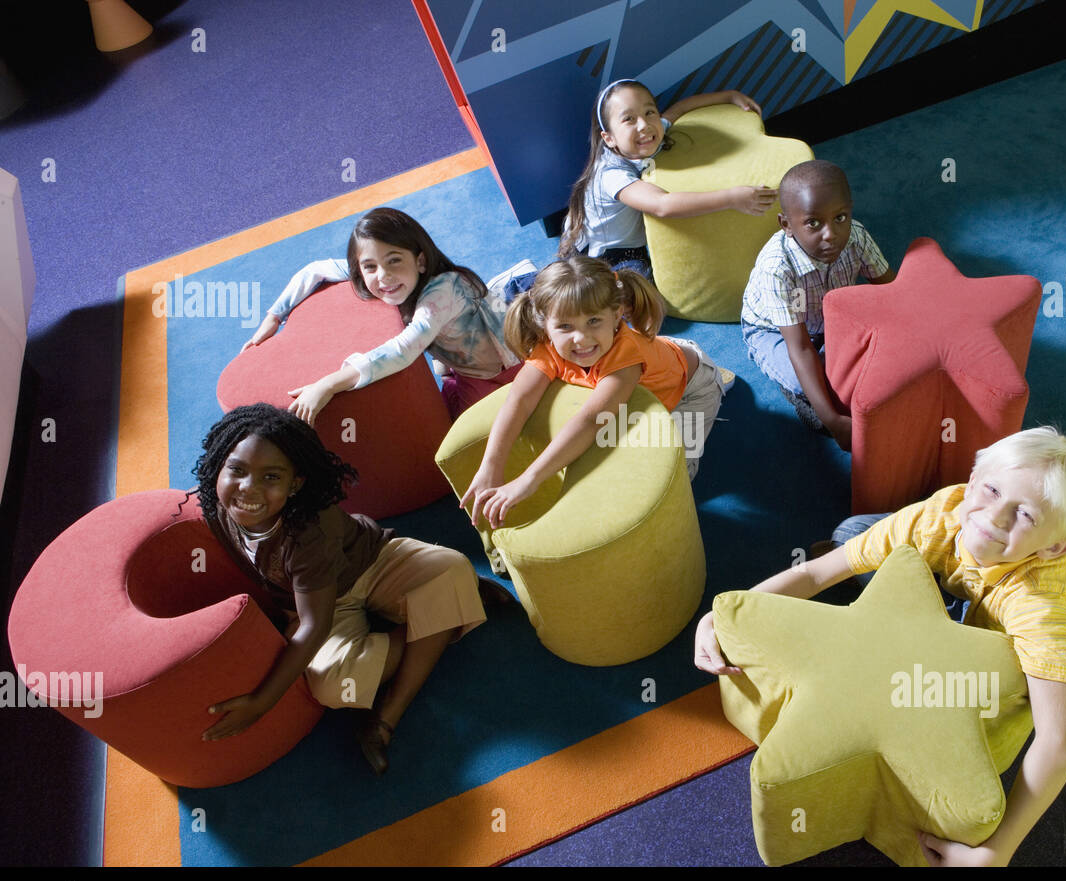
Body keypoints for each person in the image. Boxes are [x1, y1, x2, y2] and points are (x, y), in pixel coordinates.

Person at [694, 426, 1066, 866]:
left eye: (1026, 516)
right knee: (851, 532)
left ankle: (958, 619)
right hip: (945, 566)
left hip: (999, 627)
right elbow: (816, 573)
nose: (994, 518)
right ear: (974, 474)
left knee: (999, 671)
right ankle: (946, 586)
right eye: (991, 489)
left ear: (1056, 546)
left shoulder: (1043, 608)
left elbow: (1060, 744)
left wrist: (998, 851)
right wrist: (728, 616)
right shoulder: (943, 515)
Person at [185, 403, 505, 775]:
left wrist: (261, 701)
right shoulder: (216, 506)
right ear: (219, 466)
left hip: (369, 563)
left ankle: (385, 718)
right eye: (236, 470)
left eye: (271, 477)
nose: (248, 488)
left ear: (296, 484)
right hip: (318, 602)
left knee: (451, 568)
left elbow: (314, 626)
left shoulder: (307, 532)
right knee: (335, 684)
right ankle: (446, 612)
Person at [461, 256, 726, 529]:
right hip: (654, 363)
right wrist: (490, 467)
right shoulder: (549, 348)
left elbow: (592, 420)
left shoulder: (627, 357)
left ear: (617, 314)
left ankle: (718, 378)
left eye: (593, 321)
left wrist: (528, 480)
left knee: (674, 472)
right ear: (545, 325)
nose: (581, 338)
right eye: (565, 326)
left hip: (691, 389)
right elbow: (519, 400)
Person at [240, 206, 525, 421]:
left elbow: (403, 350)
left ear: (421, 260)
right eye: (370, 267)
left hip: (505, 369)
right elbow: (315, 270)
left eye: (394, 261)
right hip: (466, 365)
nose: (383, 276)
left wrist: (327, 385)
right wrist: (274, 317)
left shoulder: (443, 290)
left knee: (472, 430)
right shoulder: (380, 275)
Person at [740, 159, 895, 449]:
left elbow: (893, 294)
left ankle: (823, 384)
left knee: (868, 364)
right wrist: (833, 421)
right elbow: (798, 347)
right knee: (810, 382)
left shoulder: (857, 237)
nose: (831, 234)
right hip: (774, 332)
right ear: (786, 224)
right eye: (813, 223)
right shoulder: (776, 268)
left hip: (832, 320)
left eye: (841, 217)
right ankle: (805, 401)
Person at [555, 79, 777, 279]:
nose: (644, 124)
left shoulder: (651, 132)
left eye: (649, 112)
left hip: (624, 244)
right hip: (605, 255)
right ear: (609, 138)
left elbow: (680, 108)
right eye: (629, 119)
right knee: (637, 300)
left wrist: (730, 95)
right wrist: (732, 198)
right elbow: (662, 204)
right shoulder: (611, 175)